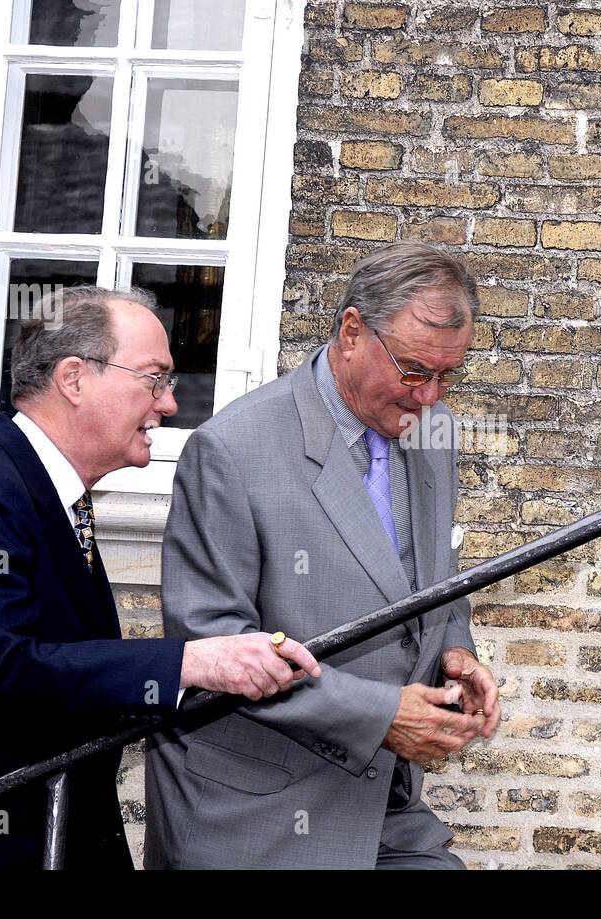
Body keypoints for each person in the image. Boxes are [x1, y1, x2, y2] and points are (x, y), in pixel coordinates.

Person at [0, 286, 319, 869]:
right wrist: (192, 663)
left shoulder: (49, 491)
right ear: (74, 379)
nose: (169, 406)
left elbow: (63, 670)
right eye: (154, 379)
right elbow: (0, 668)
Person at [145, 241, 501, 869]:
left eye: (449, 375)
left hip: (385, 814)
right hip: (258, 817)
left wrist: (454, 651)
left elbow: (434, 581)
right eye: (415, 370)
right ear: (353, 330)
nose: (429, 397)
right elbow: (212, 641)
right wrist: (380, 716)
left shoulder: (432, 430)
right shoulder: (231, 449)